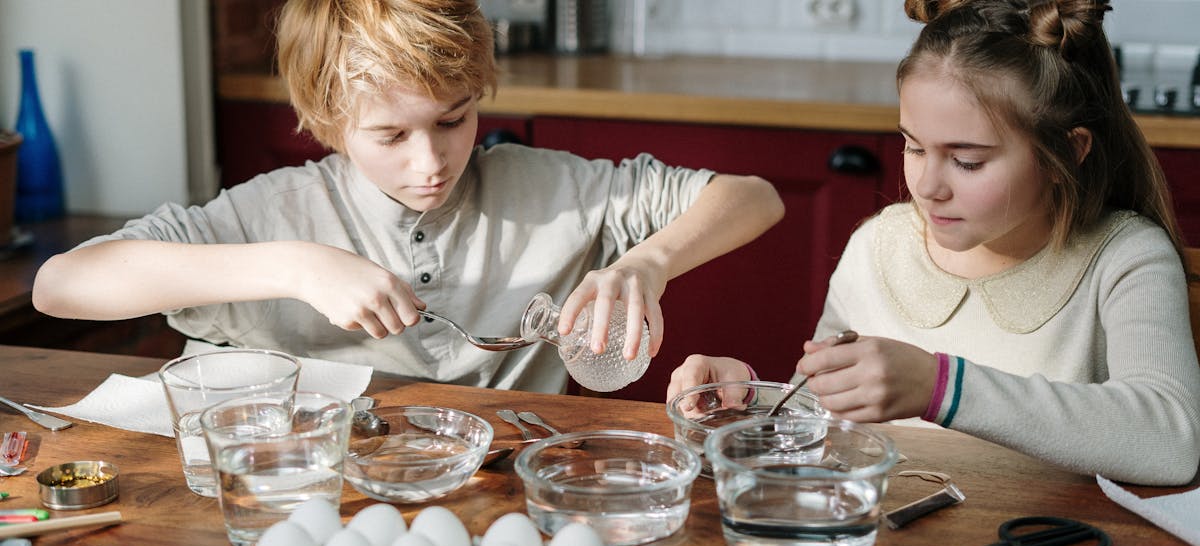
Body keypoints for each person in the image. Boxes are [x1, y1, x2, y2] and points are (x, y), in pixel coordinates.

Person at [31, 0, 783, 395]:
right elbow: (59, 285)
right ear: (327, 123)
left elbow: (754, 197)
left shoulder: (550, 189)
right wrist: (296, 268)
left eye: (453, 120)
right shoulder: (273, 213)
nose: (432, 162)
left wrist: (647, 262)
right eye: (391, 135)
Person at [667, 0, 1200, 486]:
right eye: (914, 147)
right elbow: (821, 429)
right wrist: (749, 405)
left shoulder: (1127, 258)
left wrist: (940, 387)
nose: (926, 187)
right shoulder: (878, 247)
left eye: (967, 160)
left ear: (1068, 150)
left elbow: (1172, 442)